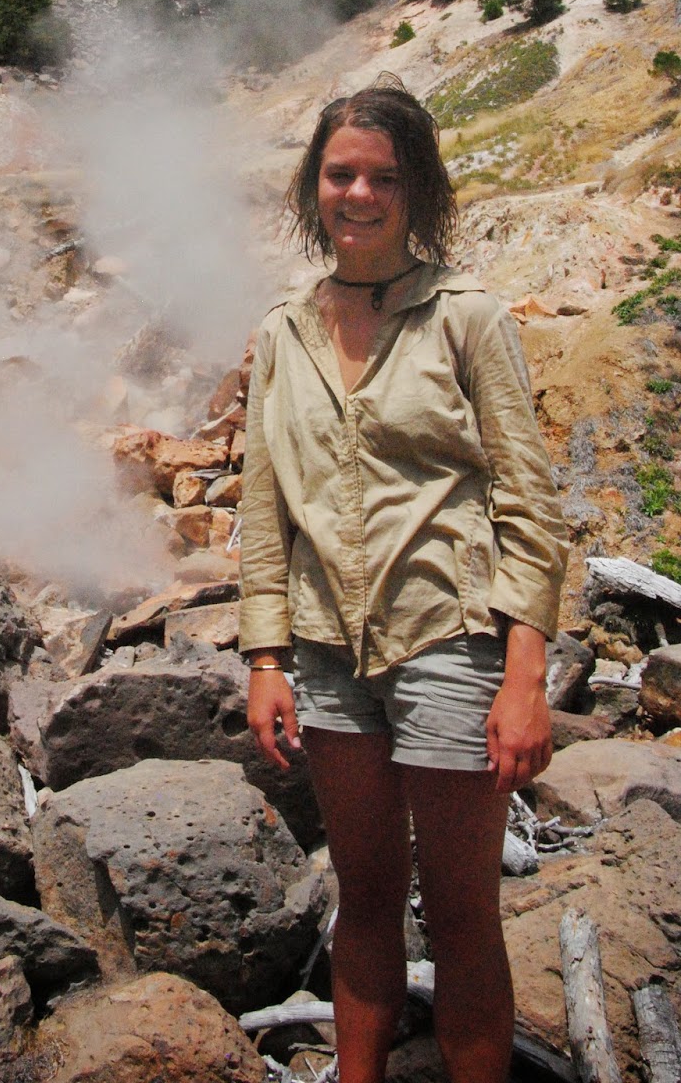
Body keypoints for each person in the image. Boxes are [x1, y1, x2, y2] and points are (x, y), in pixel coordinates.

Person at [239, 77, 568, 1083]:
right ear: (313, 186)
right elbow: (264, 507)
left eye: (383, 176)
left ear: (416, 189)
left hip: (450, 645)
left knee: (465, 911)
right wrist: (264, 653)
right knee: (366, 899)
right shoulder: (282, 332)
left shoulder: (466, 317)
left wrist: (523, 677)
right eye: (341, 172)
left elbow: (529, 499)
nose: (359, 193)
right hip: (331, 657)